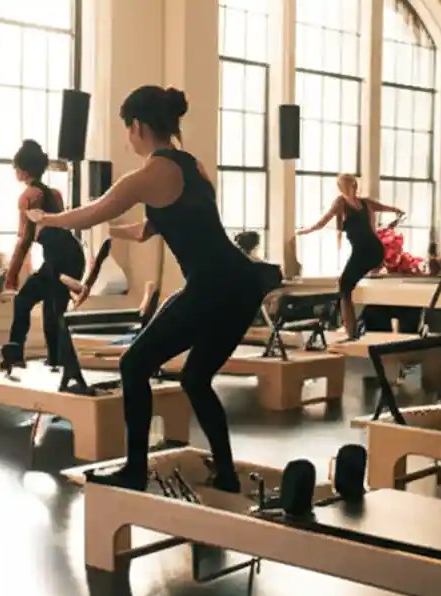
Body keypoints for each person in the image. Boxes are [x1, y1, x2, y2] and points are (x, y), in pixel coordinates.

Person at [27, 85, 265, 492]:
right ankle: (225, 473)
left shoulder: (150, 174)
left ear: (137, 126)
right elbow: (151, 228)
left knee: (133, 365)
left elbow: (91, 212)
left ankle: (134, 471)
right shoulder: (192, 166)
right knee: (195, 378)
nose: (127, 138)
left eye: (126, 129)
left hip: (212, 288)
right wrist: (113, 231)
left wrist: (46, 219)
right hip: (242, 285)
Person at [3, 140, 85, 367]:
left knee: (32, 303)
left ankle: (21, 355)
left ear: (22, 170)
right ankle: (52, 360)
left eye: (16, 168)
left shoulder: (28, 197)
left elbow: (24, 240)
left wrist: (11, 276)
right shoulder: (55, 194)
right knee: (50, 308)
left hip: (59, 259)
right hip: (72, 254)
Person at [294, 174, 404, 339]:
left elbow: (323, 221)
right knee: (346, 287)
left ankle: (351, 331)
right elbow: (392, 210)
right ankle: (352, 328)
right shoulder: (362, 203)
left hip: (368, 251)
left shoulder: (344, 202)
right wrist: (305, 231)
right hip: (372, 250)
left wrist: (302, 231)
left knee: (344, 286)